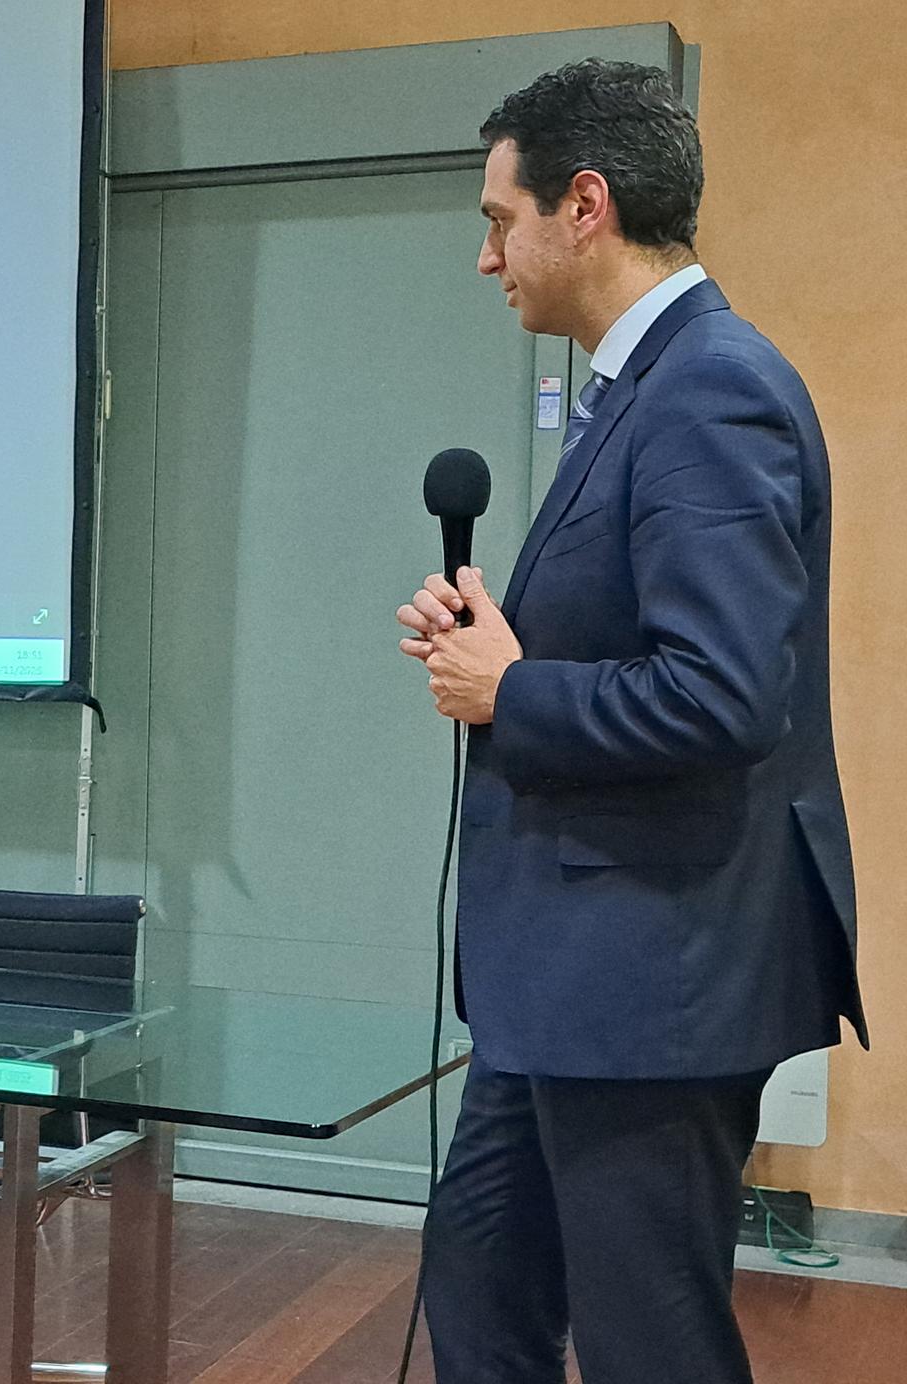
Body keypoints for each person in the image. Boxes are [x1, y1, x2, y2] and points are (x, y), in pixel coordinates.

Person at [395, 60, 865, 1383]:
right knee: (478, 1278)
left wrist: (512, 691)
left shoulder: (711, 388)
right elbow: (652, 643)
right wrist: (502, 645)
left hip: (653, 970)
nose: (487, 259)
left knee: (647, 1338)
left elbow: (720, 692)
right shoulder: (641, 386)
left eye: (499, 220)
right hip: (575, 972)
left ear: (583, 204)